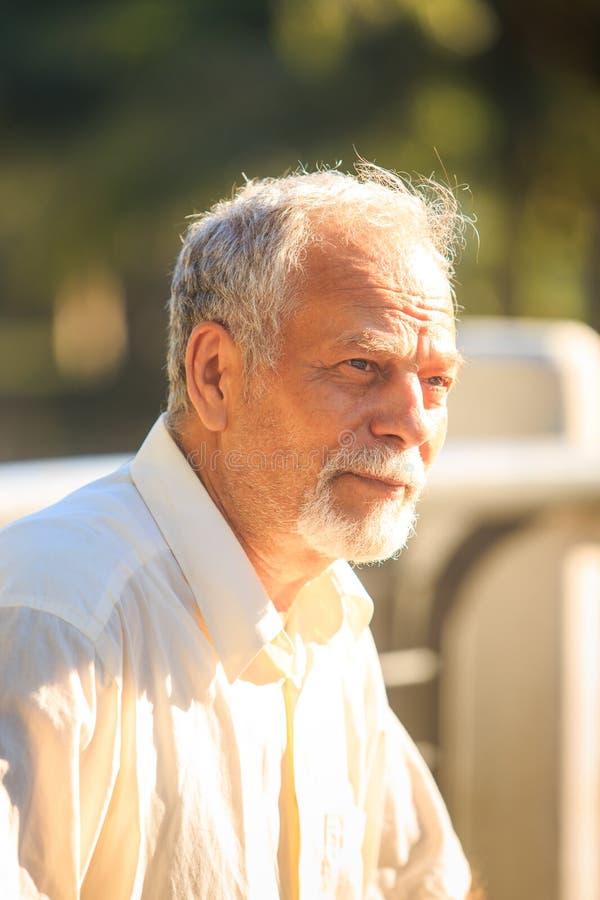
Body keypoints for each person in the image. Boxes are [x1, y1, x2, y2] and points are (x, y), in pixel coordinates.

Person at [0, 163, 473, 899]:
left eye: (437, 382)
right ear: (216, 374)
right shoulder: (54, 622)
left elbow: (427, 882)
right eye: (361, 365)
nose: (413, 423)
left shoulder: (327, 615)